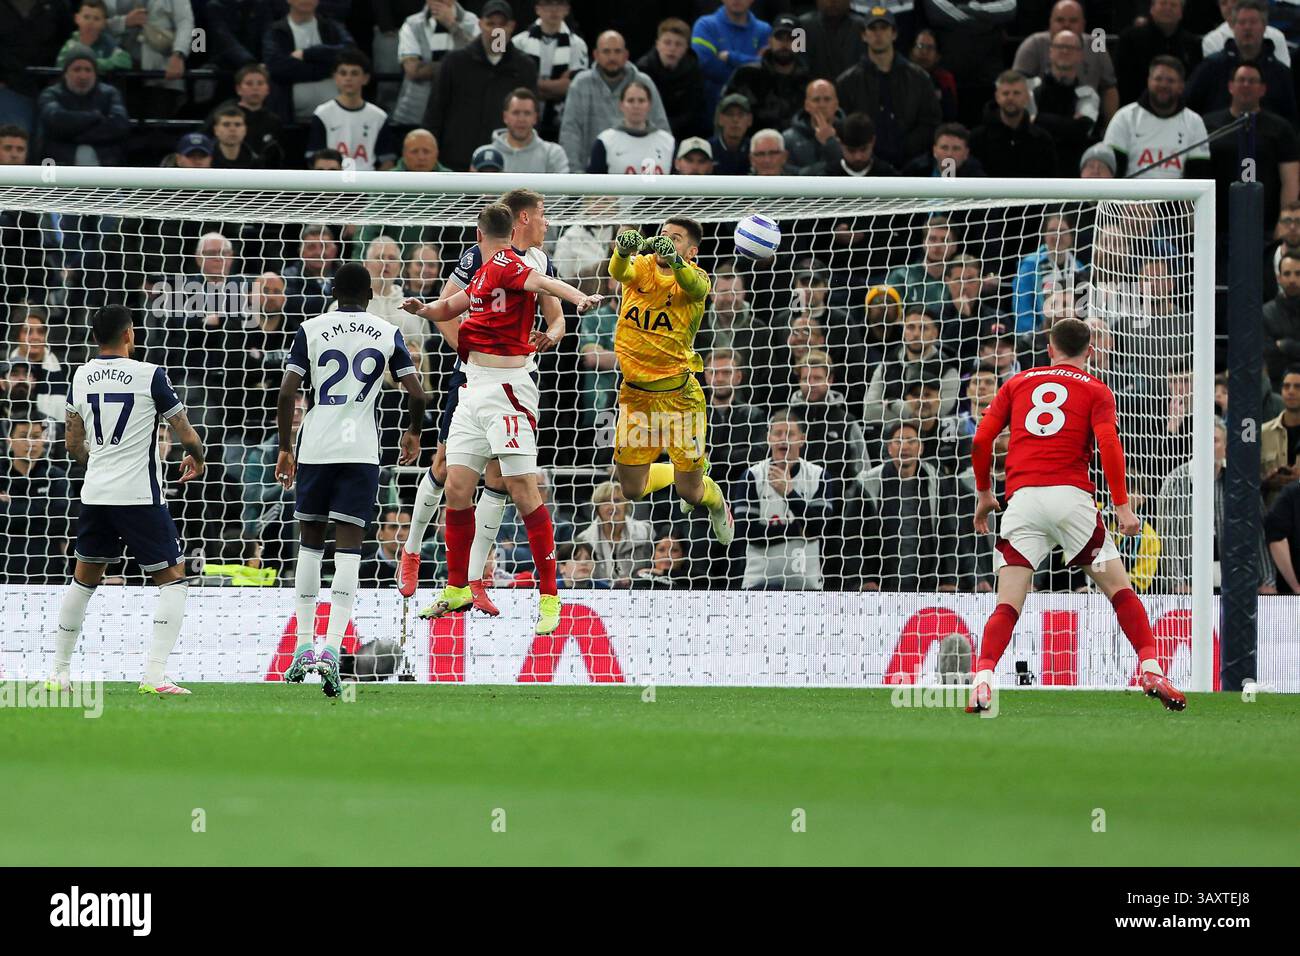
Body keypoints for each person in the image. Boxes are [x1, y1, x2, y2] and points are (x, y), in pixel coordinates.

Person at [398, 203, 601, 635]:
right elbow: (449, 307)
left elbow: (544, 283)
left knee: (522, 487)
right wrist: (422, 309)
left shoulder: (511, 263)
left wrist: (580, 298)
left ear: (479, 234)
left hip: (508, 389)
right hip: (472, 385)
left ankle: (550, 596)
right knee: (455, 484)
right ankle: (457, 587)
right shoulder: (484, 271)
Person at [967, 317, 1187, 714]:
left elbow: (982, 439)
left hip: (1023, 502)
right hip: (1072, 502)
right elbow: (1108, 444)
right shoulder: (1098, 390)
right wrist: (1122, 505)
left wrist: (984, 492)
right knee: (1120, 590)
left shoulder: (1017, 383)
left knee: (1008, 603)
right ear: (1091, 351)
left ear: (1050, 348)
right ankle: (1151, 667)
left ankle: (982, 680)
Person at [275, 262, 427, 698]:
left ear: (335, 292)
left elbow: (288, 392)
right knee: (348, 553)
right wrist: (413, 433)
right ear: (370, 294)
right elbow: (417, 393)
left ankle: (303, 645)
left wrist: (286, 448)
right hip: (361, 451)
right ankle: (332, 647)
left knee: (309, 545)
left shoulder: (311, 328)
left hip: (317, 447)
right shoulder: (385, 331)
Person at [49, 304, 206, 696]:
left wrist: (99, 464)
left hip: (96, 493)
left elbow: (72, 443)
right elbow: (185, 434)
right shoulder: (150, 375)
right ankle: (154, 676)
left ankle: (58, 673)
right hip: (139, 496)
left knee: (83, 581)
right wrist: (197, 458)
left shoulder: (81, 376)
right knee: (173, 581)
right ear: (130, 334)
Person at [605, 219, 734, 547]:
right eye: (663, 235)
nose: (665, 242)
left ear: (691, 251)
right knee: (631, 489)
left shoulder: (696, 278)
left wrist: (677, 262)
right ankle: (681, 471)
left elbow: (697, 287)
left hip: (679, 399)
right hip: (636, 397)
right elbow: (619, 272)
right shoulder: (643, 266)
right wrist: (622, 250)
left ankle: (716, 498)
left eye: (675, 239)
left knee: (689, 491)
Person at [424, 1, 538, 171]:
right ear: (480, 24)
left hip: (505, 167)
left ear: (512, 26)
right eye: (491, 24)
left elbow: (532, 117)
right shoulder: (455, 63)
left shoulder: (525, 66)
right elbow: (435, 113)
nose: (496, 31)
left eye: (502, 25)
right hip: (455, 165)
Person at [734, 408, 838, 590]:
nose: (783, 439)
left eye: (790, 434)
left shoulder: (819, 476)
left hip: (807, 585)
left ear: (802, 439)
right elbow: (746, 531)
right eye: (778, 433)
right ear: (769, 438)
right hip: (758, 584)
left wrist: (789, 493)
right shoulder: (751, 476)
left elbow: (819, 528)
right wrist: (798, 528)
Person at [834, 6, 940, 169]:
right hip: (863, 166)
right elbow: (841, 124)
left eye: (884, 28)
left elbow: (931, 121)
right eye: (872, 28)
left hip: (912, 165)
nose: (878, 34)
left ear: (894, 33)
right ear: (863, 35)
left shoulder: (919, 78)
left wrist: (905, 148)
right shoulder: (847, 82)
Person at [1204, 61, 1300, 240]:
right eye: (1241, 80)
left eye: (1252, 81)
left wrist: (1284, 221)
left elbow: (1291, 181)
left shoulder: (1280, 128)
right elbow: (1198, 174)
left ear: (1262, 89)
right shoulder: (1208, 125)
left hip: (1267, 227)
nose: (1246, 85)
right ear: (1230, 86)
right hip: (1216, 226)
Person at [559, 30, 671, 175]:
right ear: (596, 55)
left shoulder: (644, 82)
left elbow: (661, 130)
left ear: (626, 55)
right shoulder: (581, 83)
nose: (612, 57)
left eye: (617, 51)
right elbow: (570, 133)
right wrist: (577, 178)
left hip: (639, 175)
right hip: (590, 176)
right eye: (606, 51)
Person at [1103, 56, 1212, 179]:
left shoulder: (1195, 122)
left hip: (1177, 197)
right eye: (1158, 79)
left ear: (1182, 86)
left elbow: (1198, 175)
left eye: (1170, 80)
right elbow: (1110, 167)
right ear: (1149, 81)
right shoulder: (1125, 117)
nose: (1164, 85)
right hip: (1131, 196)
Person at [1187, 0, 1297, 121]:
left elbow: (1292, 118)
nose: (1247, 27)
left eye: (1253, 22)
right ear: (1232, 26)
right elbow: (1189, 107)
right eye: (1242, 22)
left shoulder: (1280, 73)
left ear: (1264, 26)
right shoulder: (1211, 67)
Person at [1012, 1, 1118, 126]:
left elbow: (1109, 88)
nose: (1066, 25)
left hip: (1085, 114)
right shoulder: (1033, 44)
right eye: (1060, 20)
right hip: (1038, 118)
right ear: (1050, 23)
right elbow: (1015, 87)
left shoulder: (1096, 46)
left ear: (1083, 24)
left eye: (1073, 21)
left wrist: (1109, 128)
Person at [1, 411, 72, 584]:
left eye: (36, 436)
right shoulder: (2, 474)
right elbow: (47, 517)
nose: (31, 443)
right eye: (24, 436)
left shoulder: (57, 477)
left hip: (48, 569)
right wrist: (41, 507)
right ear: (10, 441)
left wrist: (10, 508)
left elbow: (59, 519)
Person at [391, 0, 479, 132]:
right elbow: (414, 71)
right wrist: (458, 66)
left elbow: (479, 63)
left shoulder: (474, 22)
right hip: (415, 115)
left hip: (459, 115)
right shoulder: (412, 24)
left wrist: (453, 26)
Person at [36, 45, 131, 167]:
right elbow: (55, 120)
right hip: (60, 169)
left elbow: (119, 125)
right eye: (77, 69)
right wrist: (95, 116)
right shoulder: (50, 94)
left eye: (88, 70)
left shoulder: (110, 94)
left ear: (95, 73)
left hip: (106, 169)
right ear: (65, 73)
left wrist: (69, 133)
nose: (83, 76)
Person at [263, 0, 357, 123]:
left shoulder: (332, 27)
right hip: (290, 118)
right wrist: (328, 69)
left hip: (335, 118)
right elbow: (277, 68)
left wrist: (307, 54)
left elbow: (350, 52)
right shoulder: (276, 31)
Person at [306, 49, 398, 172]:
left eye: (354, 73)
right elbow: (314, 158)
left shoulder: (378, 116)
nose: (348, 78)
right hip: (332, 184)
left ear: (365, 78)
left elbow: (387, 161)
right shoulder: (322, 113)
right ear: (335, 77)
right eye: (343, 73)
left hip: (368, 184)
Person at [512, 0, 590, 143]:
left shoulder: (577, 45)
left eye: (559, 4)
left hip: (561, 121)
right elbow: (516, 85)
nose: (553, 10)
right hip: (523, 119)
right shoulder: (519, 43)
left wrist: (534, 84)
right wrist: (555, 85)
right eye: (548, 4)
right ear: (538, 9)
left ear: (566, 9)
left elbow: (571, 87)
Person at [1026, 29, 1100, 178]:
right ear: (1051, 51)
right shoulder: (1030, 88)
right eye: (1060, 46)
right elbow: (1025, 127)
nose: (1065, 51)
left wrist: (1038, 119)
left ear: (1080, 55)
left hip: (1071, 171)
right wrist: (1069, 124)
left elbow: (1082, 129)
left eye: (1071, 47)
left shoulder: (1088, 94)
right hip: (1033, 168)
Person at [722, 14, 809, 135]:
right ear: (770, 41)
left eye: (791, 38)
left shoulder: (810, 82)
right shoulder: (746, 76)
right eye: (779, 38)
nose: (784, 44)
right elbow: (725, 115)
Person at [971, 69, 1057, 180]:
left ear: (1026, 97)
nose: (1010, 98)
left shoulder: (1042, 140)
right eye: (1006, 93)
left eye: (1016, 93)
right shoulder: (978, 138)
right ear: (997, 97)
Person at [1115, 0, 1203, 105]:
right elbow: (1122, 80)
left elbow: (1195, 83)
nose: (1168, 8)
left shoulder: (1192, 44)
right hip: (1136, 106)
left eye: (1173, 5)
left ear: (1181, 12)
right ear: (1152, 8)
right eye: (1163, 3)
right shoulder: (1130, 39)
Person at [691, 0, 772, 114]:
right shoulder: (705, 25)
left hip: (754, 112)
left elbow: (768, 67)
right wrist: (752, 62)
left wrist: (731, 57)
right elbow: (704, 64)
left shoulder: (764, 30)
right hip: (710, 110)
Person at [637, 17, 708, 142]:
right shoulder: (643, 70)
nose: (672, 48)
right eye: (667, 42)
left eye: (678, 44)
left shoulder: (694, 71)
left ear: (686, 47)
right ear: (657, 44)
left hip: (683, 134)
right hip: (648, 132)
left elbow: (693, 111)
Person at [573, 480, 654, 586]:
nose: (612, 506)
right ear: (597, 509)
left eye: (617, 500)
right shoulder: (584, 540)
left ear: (626, 506)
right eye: (605, 501)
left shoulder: (646, 532)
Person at [587, 79, 675, 175]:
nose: (636, 106)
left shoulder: (667, 142)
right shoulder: (606, 141)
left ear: (649, 105)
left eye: (641, 101)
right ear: (621, 105)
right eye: (630, 100)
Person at [487, 87, 569, 173]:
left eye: (527, 113)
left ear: (535, 118)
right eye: (516, 113)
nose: (521, 119)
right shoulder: (486, 155)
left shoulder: (553, 154)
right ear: (505, 117)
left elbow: (564, 186)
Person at [1261, 365, 1300, 507]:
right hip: (1272, 516)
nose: (1291, 391)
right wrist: (1267, 482)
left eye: (1297, 387)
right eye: (1286, 386)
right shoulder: (1263, 433)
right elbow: (1252, 481)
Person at [58, 1, 132, 74]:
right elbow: (61, 67)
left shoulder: (107, 43)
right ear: (77, 18)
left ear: (104, 23)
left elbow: (126, 61)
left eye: (96, 18)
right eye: (86, 17)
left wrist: (96, 64)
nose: (90, 22)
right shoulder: (70, 46)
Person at [1264, 254, 1300, 386]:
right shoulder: (1266, 313)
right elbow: (1269, 361)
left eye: (1298, 273)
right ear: (1279, 278)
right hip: (1278, 387)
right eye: (1287, 274)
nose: (1292, 279)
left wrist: (1287, 346)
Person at [709, 91, 754, 174]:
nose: (735, 120)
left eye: (741, 115)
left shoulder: (756, 150)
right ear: (720, 119)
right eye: (730, 114)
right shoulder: (708, 149)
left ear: (749, 120)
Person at [209, 104, 262, 169]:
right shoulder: (205, 159)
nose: (232, 129)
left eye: (238, 124)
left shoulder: (255, 161)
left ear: (245, 130)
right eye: (226, 124)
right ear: (216, 130)